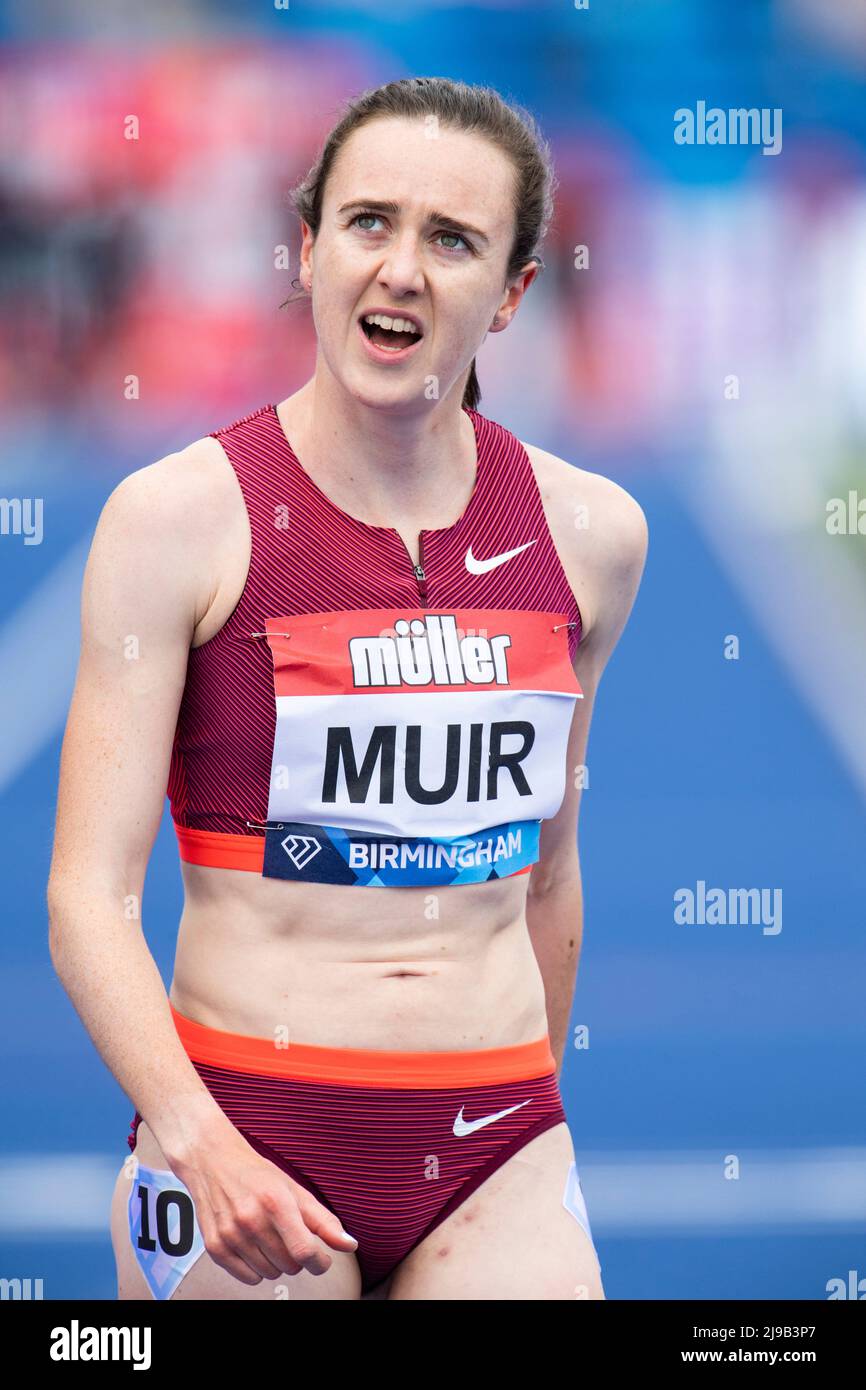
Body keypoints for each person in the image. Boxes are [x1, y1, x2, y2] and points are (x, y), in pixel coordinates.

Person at [47, 77, 647, 1301]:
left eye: (453, 240)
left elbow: (549, 868)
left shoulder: (591, 534)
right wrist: (195, 1142)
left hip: (496, 1147)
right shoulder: (175, 522)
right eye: (369, 222)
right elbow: (84, 900)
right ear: (310, 247)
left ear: (514, 292)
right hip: (242, 1131)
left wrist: (533, 1112)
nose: (403, 271)